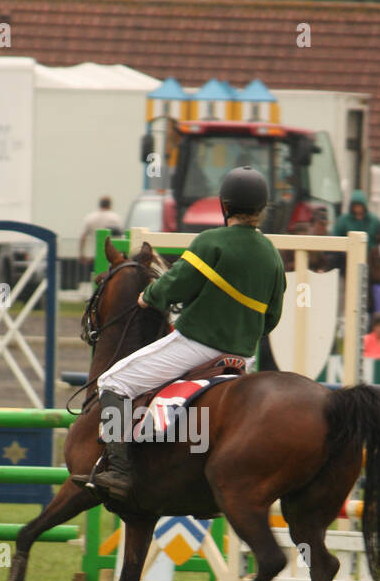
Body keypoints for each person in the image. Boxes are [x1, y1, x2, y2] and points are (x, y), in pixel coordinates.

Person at [76, 167, 286, 503]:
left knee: (113, 382)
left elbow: (176, 285)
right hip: (242, 358)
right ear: (262, 208)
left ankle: (118, 470)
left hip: (196, 347)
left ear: (225, 205)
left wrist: (150, 296)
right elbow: (272, 318)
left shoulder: (211, 241)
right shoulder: (272, 255)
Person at [79, 196, 124, 271]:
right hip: (111, 257)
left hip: (94, 257)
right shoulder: (116, 218)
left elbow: (83, 237)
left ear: (99, 204)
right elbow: (121, 237)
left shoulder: (90, 218)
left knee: (95, 279)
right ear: (110, 205)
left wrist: (82, 254)